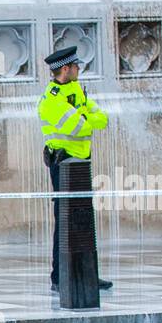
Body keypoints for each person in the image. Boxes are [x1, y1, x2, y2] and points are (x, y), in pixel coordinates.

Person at [38, 45, 112, 294]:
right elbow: (79, 127)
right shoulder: (53, 97)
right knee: (65, 219)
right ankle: (59, 277)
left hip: (81, 161)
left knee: (83, 219)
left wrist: (83, 115)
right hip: (63, 162)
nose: (80, 68)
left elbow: (102, 119)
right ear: (66, 69)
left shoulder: (76, 91)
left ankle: (88, 273)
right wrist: (84, 116)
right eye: (76, 65)